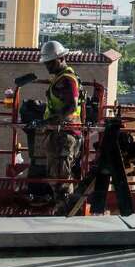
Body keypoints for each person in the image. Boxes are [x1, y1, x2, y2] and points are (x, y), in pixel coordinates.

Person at [35, 40, 82, 201]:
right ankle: (61, 206)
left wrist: (47, 122)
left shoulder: (66, 80)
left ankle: (64, 211)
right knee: (56, 177)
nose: (47, 66)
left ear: (61, 58)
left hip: (64, 135)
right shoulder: (60, 78)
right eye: (46, 63)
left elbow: (70, 108)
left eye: (50, 62)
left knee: (61, 179)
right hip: (59, 133)